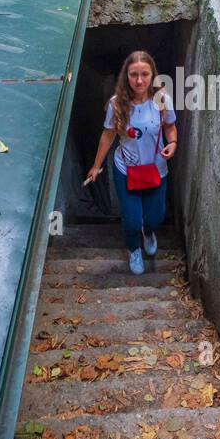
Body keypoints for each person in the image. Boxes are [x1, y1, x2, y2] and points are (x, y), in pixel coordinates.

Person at [84, 50, 178, 275]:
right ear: (126, 76)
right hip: (126, 170)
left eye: (144, 74)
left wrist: (173, 143)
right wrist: (96, 166)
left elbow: (170, 126)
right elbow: (108, 135)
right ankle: (134, 249)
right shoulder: (117, 104)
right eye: (133, 74)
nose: (139, 80)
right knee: (132, 221)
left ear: (152, 74)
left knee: (155, 217)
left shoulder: (162, 100)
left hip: (156, 170)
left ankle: (149, 232)